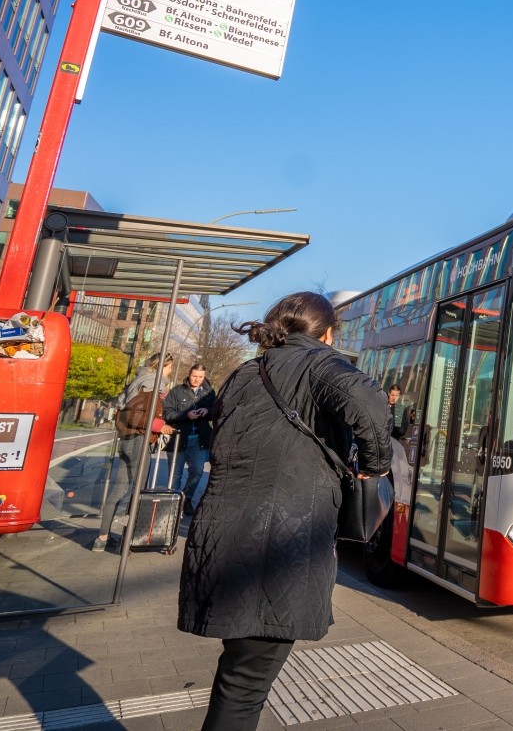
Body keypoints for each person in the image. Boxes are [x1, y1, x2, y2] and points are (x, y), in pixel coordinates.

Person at [178, 292, 390, 730]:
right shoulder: (318, 363)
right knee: (244, 687)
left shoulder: (244, 372)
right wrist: (374, 466)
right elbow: (370, 402)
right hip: (275, 546)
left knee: (238, 676)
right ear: (327, 333)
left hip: (222, 534)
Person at [93, 352, 175, 551]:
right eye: (170, 367)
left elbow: (123, 410)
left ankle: (102, 538)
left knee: (119, 490)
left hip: (126, 440)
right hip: (139, 440)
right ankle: (128, 538)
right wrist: (160, 426)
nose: (171, 371)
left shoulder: (137, 381)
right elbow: (135, 415)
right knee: (137, 491)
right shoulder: (151, 385)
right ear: (162, 366)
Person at [163, 363, 216, 517]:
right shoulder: (177, 391)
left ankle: (186, 499)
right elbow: (167, 413)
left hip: (199, 440)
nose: (197, 379)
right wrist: (185, 415)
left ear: (204, 376)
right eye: (194, 376)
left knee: (197, 472)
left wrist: (207, 411)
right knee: (175, 474)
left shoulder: (210, 393)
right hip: (179, 439)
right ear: (189, 374)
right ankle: (172, 502)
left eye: (200, 377)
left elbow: (217, 412)